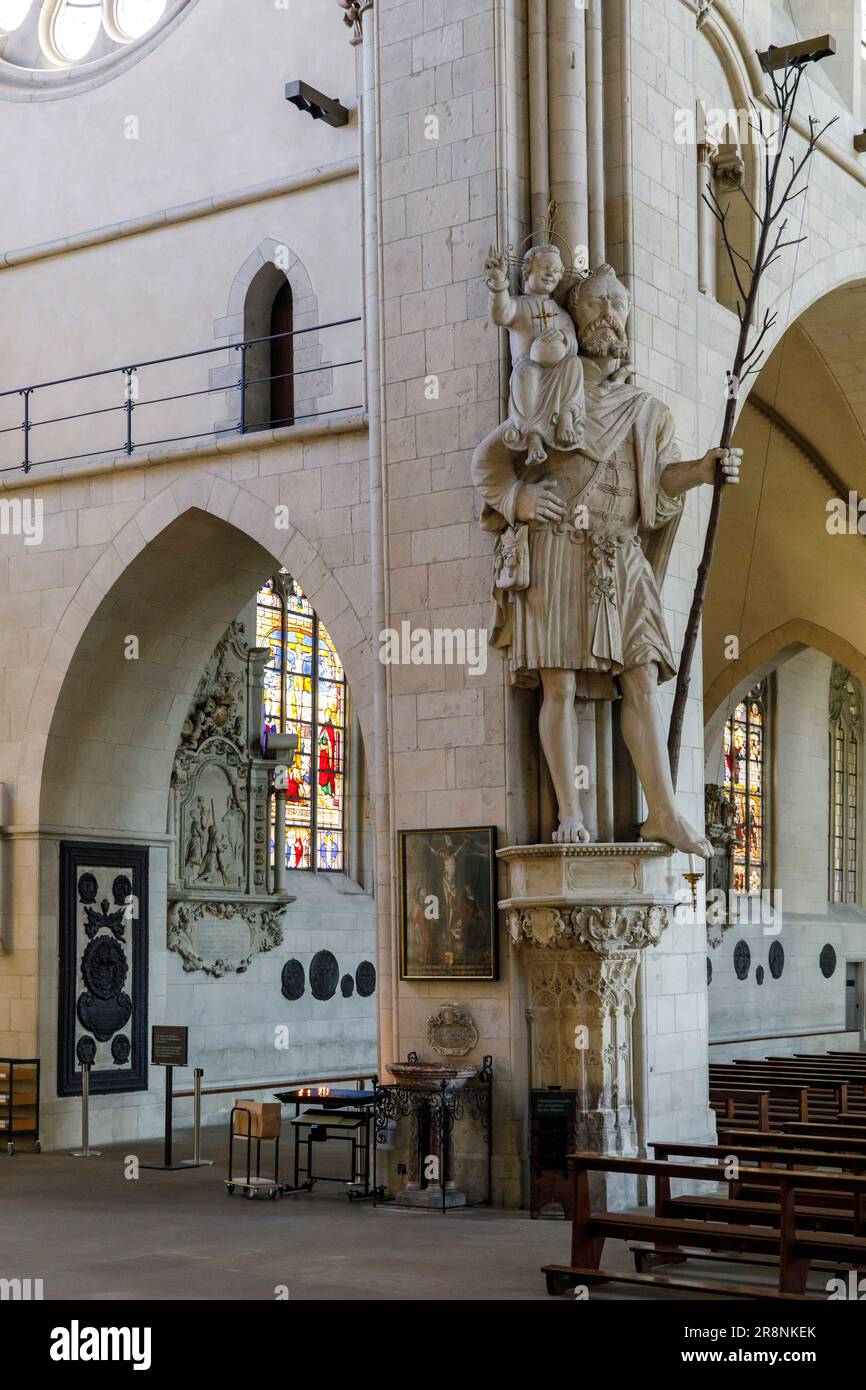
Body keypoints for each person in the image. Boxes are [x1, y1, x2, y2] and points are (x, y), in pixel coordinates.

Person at [472, 263, 742, 855]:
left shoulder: (648, 411)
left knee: (642, 677)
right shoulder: (546, 388)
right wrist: (520, 497)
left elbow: (659, 487)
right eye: (595, 304)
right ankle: (570, 814)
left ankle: (663, 812)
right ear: (573, 315)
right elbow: (490, 461)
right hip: (557, 550)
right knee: (559, 686)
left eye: (617, 306)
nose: (608, 316)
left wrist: (702, 469)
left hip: (621, 559)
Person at [484, 242, 585, 466]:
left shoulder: (561, 314)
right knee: (524, 373)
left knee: (574, 364)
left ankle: (566, 418)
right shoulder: (518, 306)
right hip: (530, 372)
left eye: (557, 271)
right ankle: (533, 437)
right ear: (528, 269)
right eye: (546, 267)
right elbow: (500, 315)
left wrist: (562, 340)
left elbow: (573, 345)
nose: (552, 273)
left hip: (557, 372)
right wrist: (499, 283)